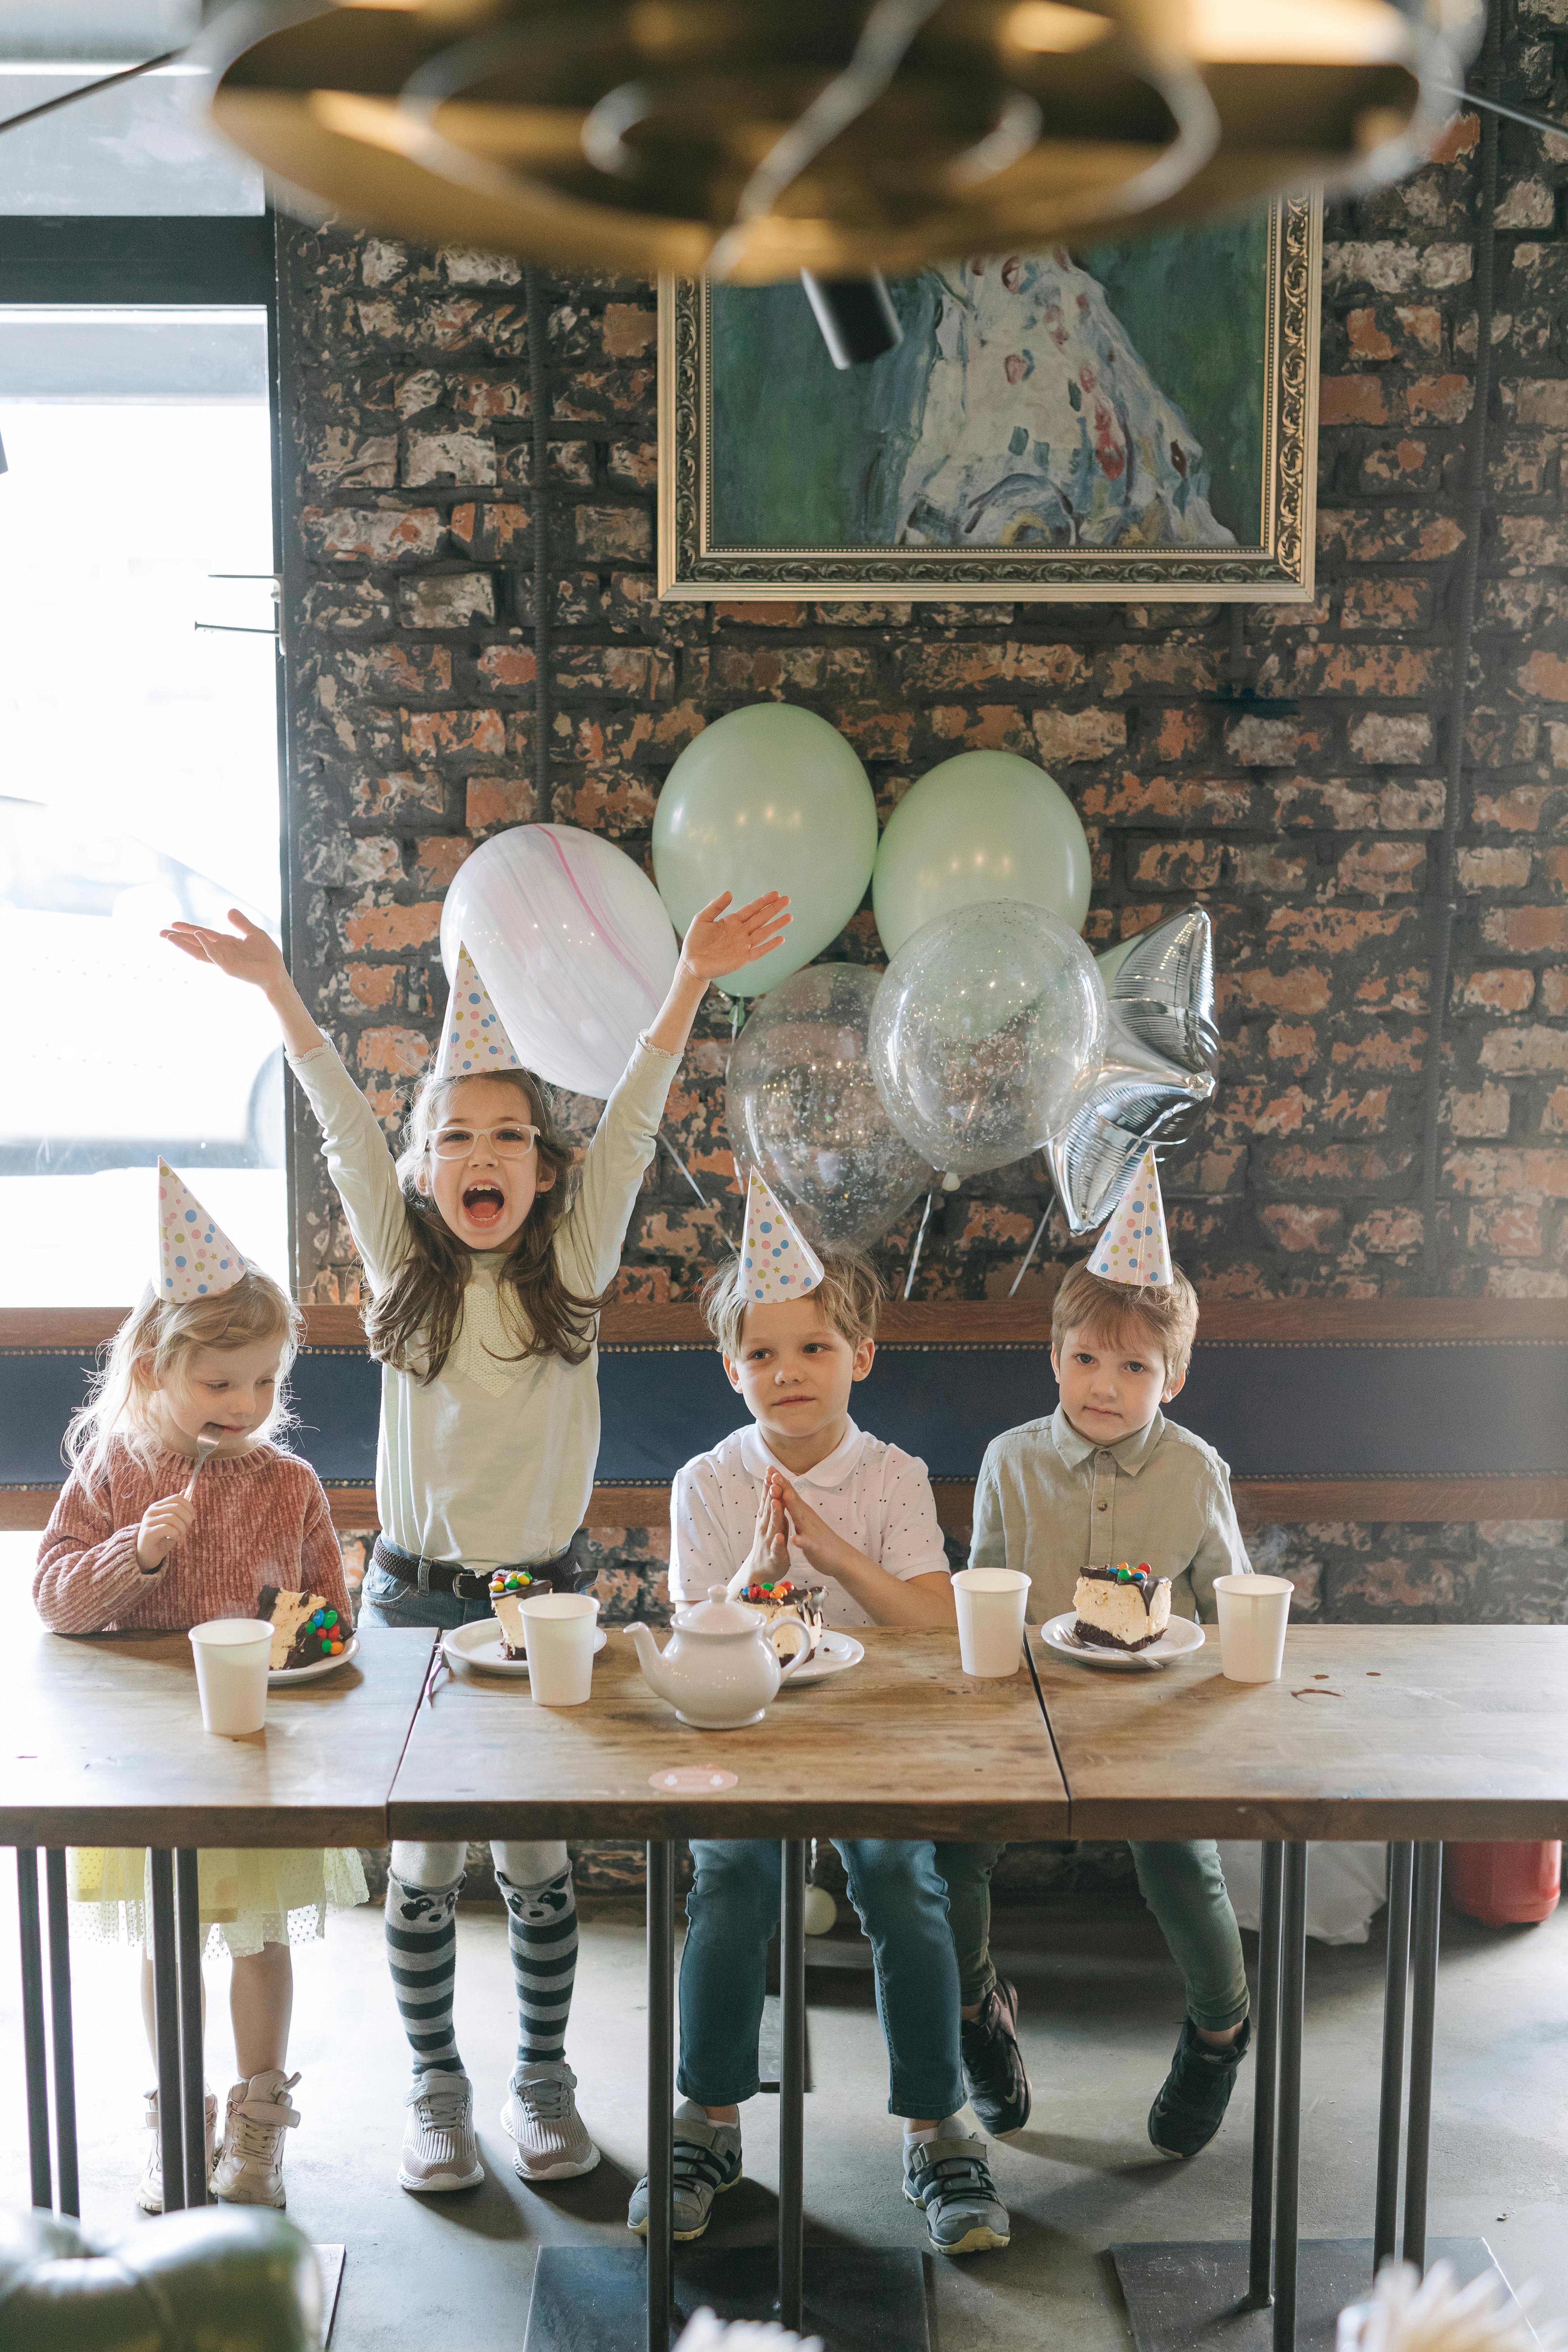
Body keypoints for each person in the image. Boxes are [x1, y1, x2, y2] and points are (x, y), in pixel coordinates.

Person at [164, 889, 790, 2196]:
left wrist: (682, 979)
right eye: (454, 1134)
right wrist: (284, 996)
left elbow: (629, 1120)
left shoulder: (576, 1264)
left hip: (546, 1609)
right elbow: (342, 1127)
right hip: (412, 1608)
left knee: (541, 1868)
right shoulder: (402, 1266)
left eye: (507, 1132)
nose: (481, 1150)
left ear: (544, 1169)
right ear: (425, 1170)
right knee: (426, 1872)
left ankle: (540, 2079)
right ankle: (436, 2087)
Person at [633, 1182, 1010, 2258]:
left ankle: (937, 2125)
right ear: (731, 1369)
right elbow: (697, 1631)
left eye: (812, 1347)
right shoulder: (709, 1481)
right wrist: (757, 1569)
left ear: (861, 1354)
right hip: (742, 1726)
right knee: (733, 1879)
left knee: (901, 1876)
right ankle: (707, 2120)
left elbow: (934, 1622)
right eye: (762, 1354)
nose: (787, 1373)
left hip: (872, 1723)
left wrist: (832, 1550)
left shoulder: (888, 1475)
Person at [34, 1176, 365, 2215]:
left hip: (259, 1754)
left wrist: (299, 1626)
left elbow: (333, 1619)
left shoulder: (290, 1483)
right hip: (147, 1761)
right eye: (219, 1382)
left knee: (261, 1939)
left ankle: (259, 2120)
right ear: (153, 1370)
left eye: (264, 1381)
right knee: (164, 1940)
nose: (244, 1404)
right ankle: (179, 2114)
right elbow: (53, 1599)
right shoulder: (113, 1473)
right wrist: (136, 1555)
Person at [942, 1228, 1256, 2161]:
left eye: (1134, 1367)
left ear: (1174, 1379)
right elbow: (986, 1586)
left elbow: (1231, 1605)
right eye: (1084, 1360)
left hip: (1154, 1715)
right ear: (1054, 1358)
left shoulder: (1197, 1471)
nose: (1105, 1387)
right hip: (1027, 1709)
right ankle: (974, 2013)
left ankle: (1219, 2032)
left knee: (1180, 1864)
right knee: (955, 1858)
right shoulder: (1010, 1459)